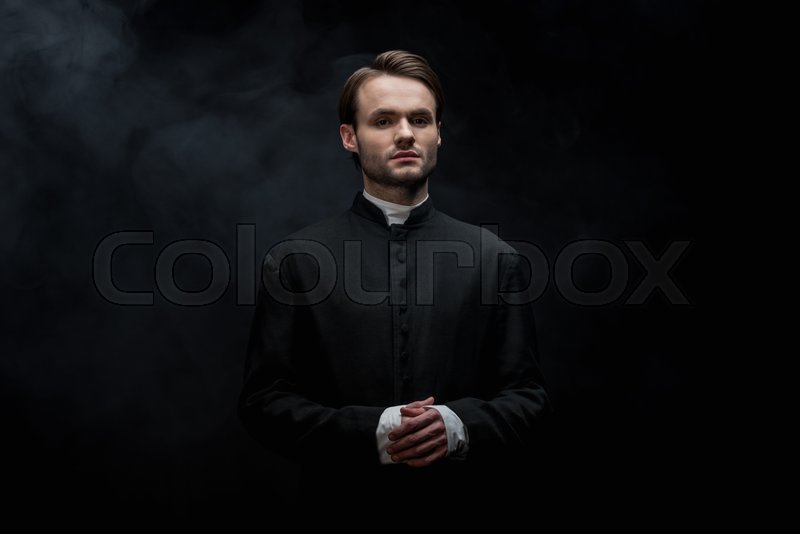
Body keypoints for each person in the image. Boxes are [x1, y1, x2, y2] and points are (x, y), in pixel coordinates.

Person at [238, 50, 550, 506]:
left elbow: (529, 398)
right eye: (383, 121)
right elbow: (262, 403)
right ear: (350, 136)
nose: (406, 134)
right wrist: (373, 431)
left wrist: (457, 426)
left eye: (420, 120)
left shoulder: (494, 258)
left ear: (438, 134)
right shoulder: (296, 261)